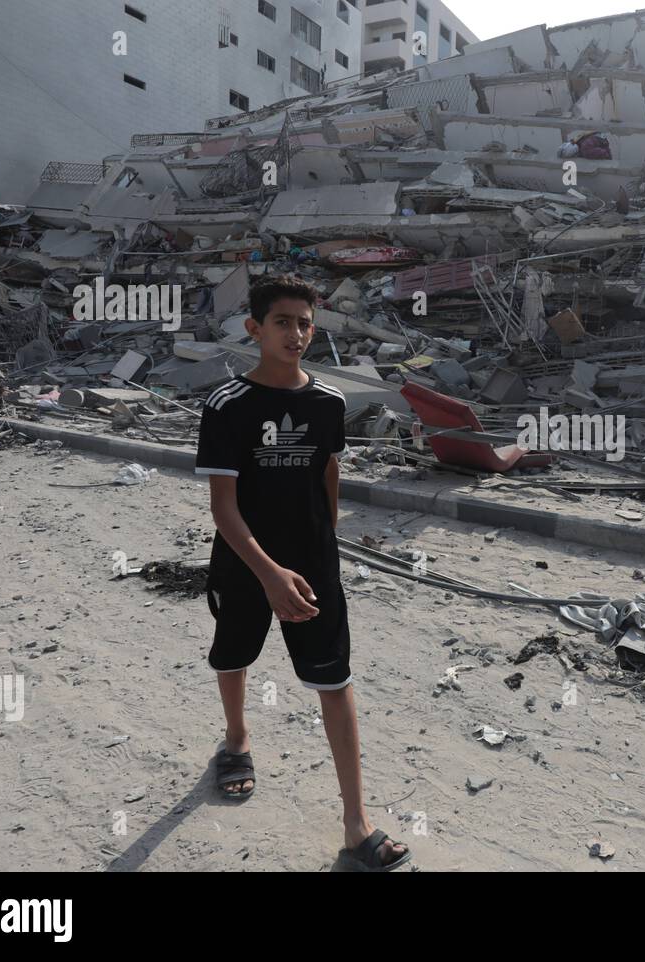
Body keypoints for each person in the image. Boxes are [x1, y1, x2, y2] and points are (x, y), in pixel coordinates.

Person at [194, 274, 410, 871]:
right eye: (283, 321)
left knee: (334, 680)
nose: (296, 333)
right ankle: (237, 739)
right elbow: (223, 507)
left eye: (305, 323)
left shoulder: (329, 403)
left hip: (314, 568)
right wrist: (268, 572)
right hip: (244, 562)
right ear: (254, 329)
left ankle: (355, 824)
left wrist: (322, 543)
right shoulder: (227, 406)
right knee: (233, 653)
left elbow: (328, 474)